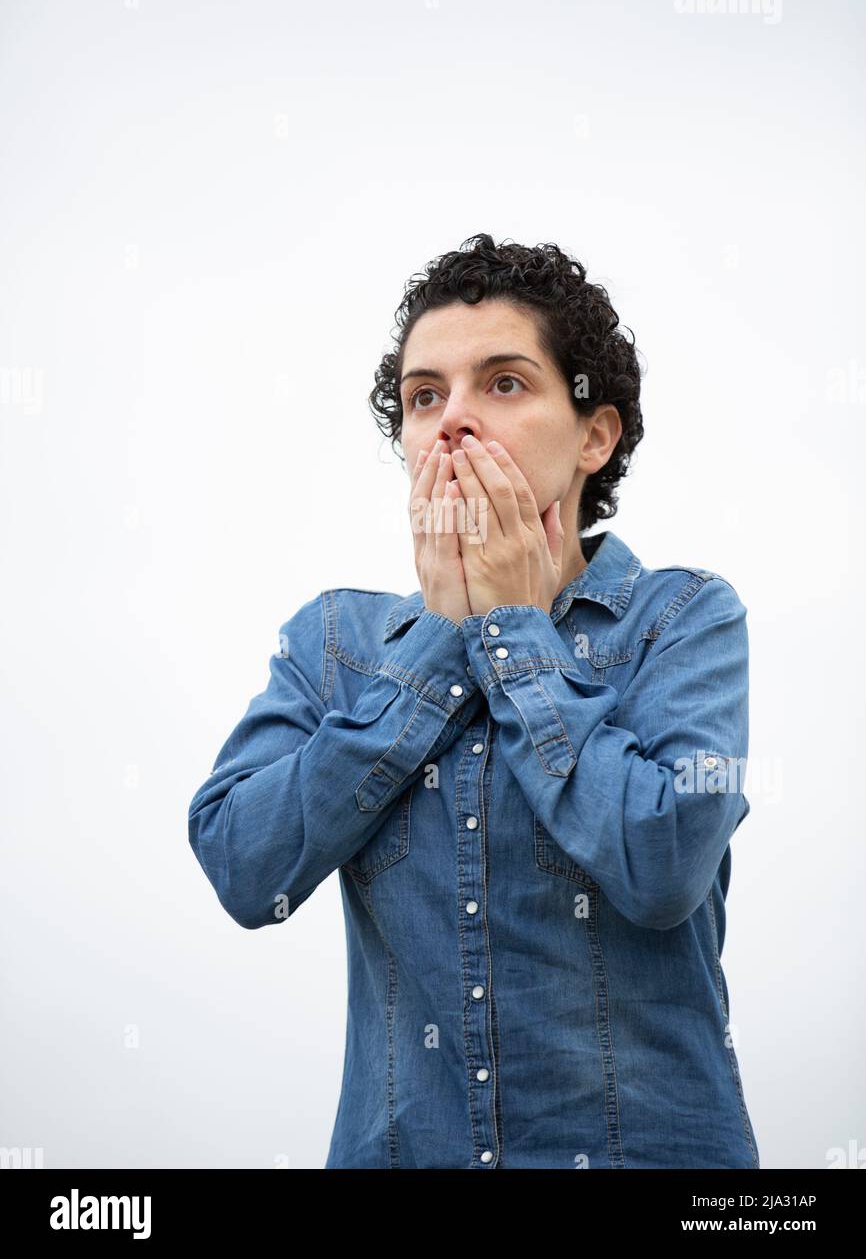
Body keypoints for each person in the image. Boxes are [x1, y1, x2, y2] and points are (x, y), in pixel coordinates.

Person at [188, 232, 760, 1169]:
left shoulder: (683, 619)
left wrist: (512, 633)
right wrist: (445, 644)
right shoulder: (334, 643)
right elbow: (245, 871)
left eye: (502, 383)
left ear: (594, 435)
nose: (451, 421)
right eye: (424, 397)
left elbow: (662, 866)